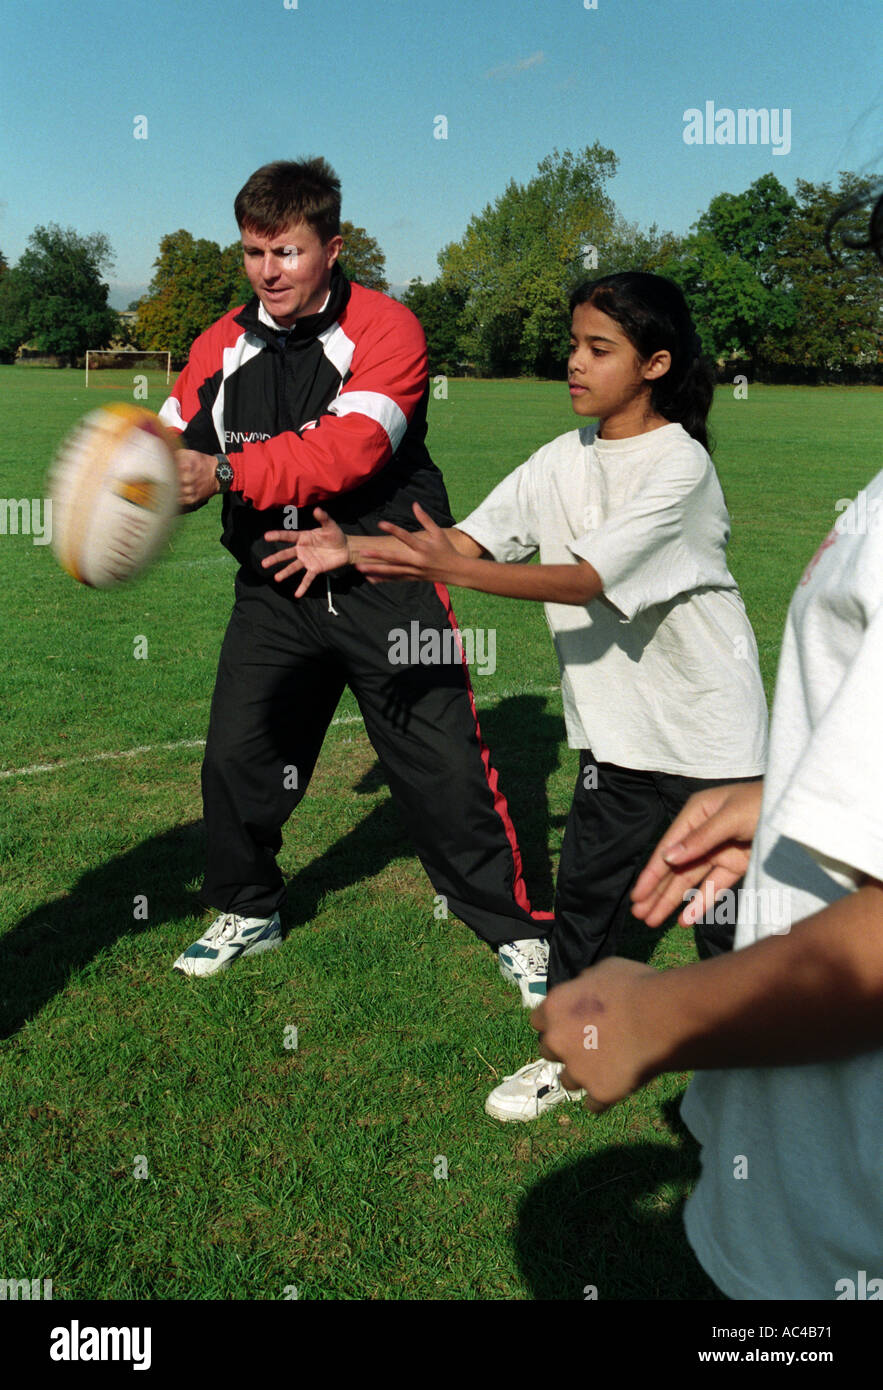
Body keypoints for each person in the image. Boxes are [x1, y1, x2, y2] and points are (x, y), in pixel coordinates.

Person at [264, 272, 768, 1121]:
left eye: (596, 349)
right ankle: (571, 1060)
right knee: (583, 909)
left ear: (654, 364)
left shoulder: (678, 466)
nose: (573, 363)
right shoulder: (559, 459)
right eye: (572, 344)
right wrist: (351, 548)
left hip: (711, 740)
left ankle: (757, 1091)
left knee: (724, 926)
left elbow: (582, 580)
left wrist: (448, 567)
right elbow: (466, 537)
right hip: (615, 737)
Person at [526, 183, 883, 1298]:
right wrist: (786, 798)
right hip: (808, 1202)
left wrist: (655, 1014)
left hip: (838, 1247)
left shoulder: (678, 462)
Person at [160, 156, 551, 986]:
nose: (268, 272)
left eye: (287, 253)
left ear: (331, 248)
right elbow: (169, 447)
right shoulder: (217, 345)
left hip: (386, 574)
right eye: (253, 253)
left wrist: (225, 474)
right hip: (274, 585)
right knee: (237, 757)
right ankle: (249, 909)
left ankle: (515, 930)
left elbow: (351, 449)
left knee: (445, 771)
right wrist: (134, 483)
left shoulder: (386, 329)